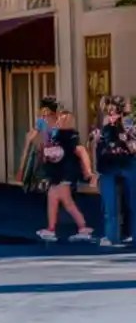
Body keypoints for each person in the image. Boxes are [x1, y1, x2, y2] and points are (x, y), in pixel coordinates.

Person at [37, 109, 95, 242]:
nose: (60, 121)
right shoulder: (57, 135)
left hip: (65, 174)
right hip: (57, 174)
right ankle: (51, 228)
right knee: (53, 198)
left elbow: (81, 152)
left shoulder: (70, 137)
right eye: (60, 119)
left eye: (64, 119)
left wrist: (88, 171)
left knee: (67, 202)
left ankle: (82, 227)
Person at [93, 96, 136, 247]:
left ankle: (124, 236)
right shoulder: (102, 125)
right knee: (110, 205)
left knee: (132, 203)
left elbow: (133, 147)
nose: (112, 114)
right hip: (108, 166)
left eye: (115, 110)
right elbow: (97, 146)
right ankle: (112, 237)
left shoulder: (129, 123)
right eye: (109, 111)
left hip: (127, 164)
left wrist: (125, 133)